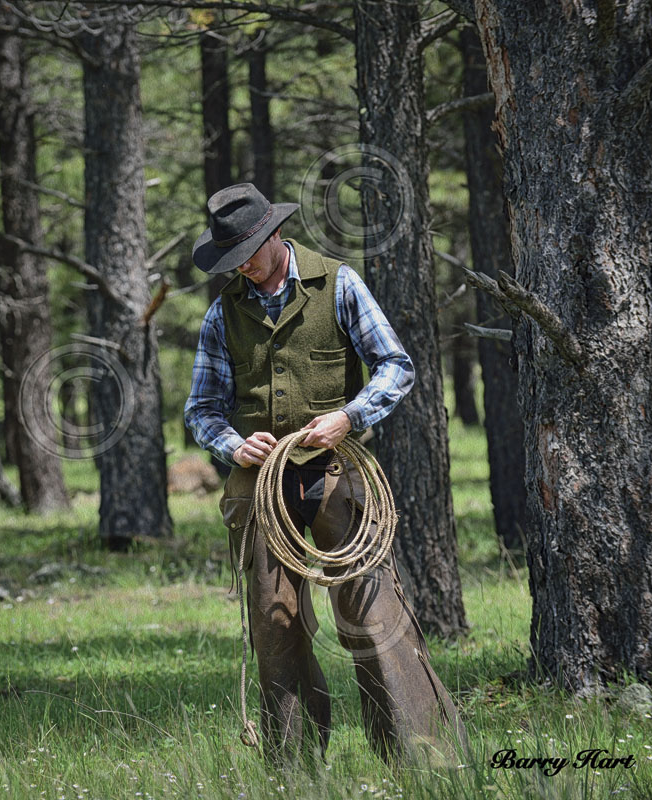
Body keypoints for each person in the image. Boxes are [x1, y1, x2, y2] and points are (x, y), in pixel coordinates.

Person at [183, 183, 466, 765]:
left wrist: (349, 416)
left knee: (372, 614)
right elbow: (201, 409)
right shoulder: (222, 312)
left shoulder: (339, 284)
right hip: (263, 486)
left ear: (274, 236)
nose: (243, 269)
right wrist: (234, 446)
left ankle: (423, 755)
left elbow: (395, 366)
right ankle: (296, 767)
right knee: (275, 624)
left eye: (249, 255)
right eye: (233, 261)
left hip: (338, 470)